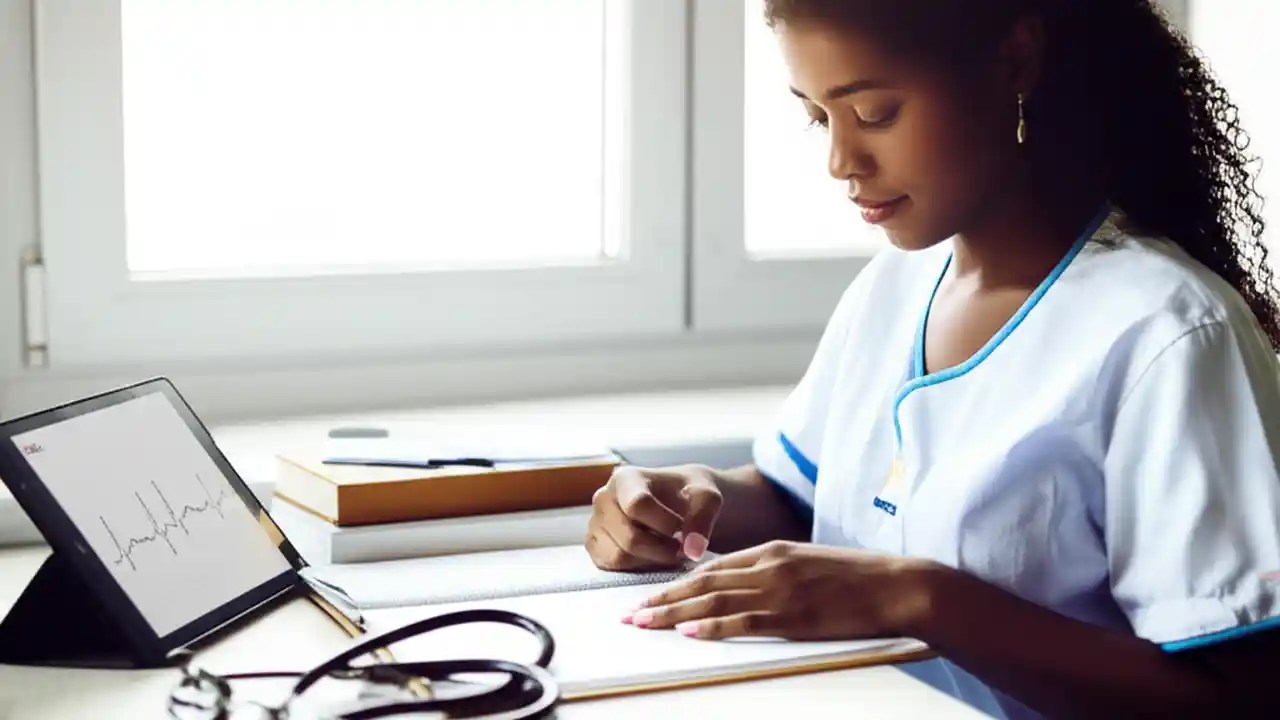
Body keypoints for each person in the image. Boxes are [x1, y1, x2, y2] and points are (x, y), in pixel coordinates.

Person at [585, 1, 1280, 717]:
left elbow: (1234, 696)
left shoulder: (1170, 334)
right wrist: (689, 497)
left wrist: (919, 598)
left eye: (876, 113)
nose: (840, 162)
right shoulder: (894, 287)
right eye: (820, 118)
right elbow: (798, 497)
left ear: (1014, 61)